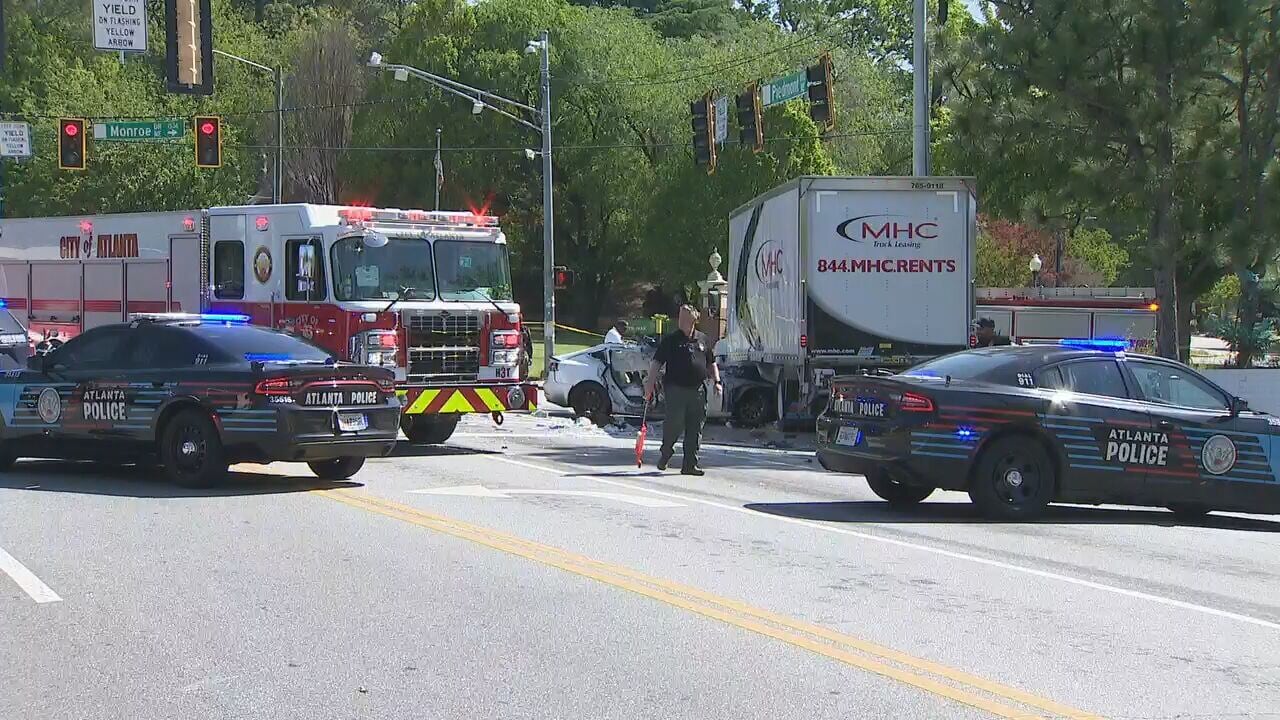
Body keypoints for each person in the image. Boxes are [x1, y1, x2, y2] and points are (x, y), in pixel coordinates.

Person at [644, 305, 722, 476]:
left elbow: (711, 362)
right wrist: (649, 384)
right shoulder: (671, 340)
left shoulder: (703, 340)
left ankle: (689, 465)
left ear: (694, 319)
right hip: (676, 389)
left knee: (695, 428)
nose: (682, 321)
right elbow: (656, 362)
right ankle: (666, 452)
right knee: (674, 424)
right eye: (680, 317)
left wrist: (717, 381)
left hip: (698, 390)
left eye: (686, 318)